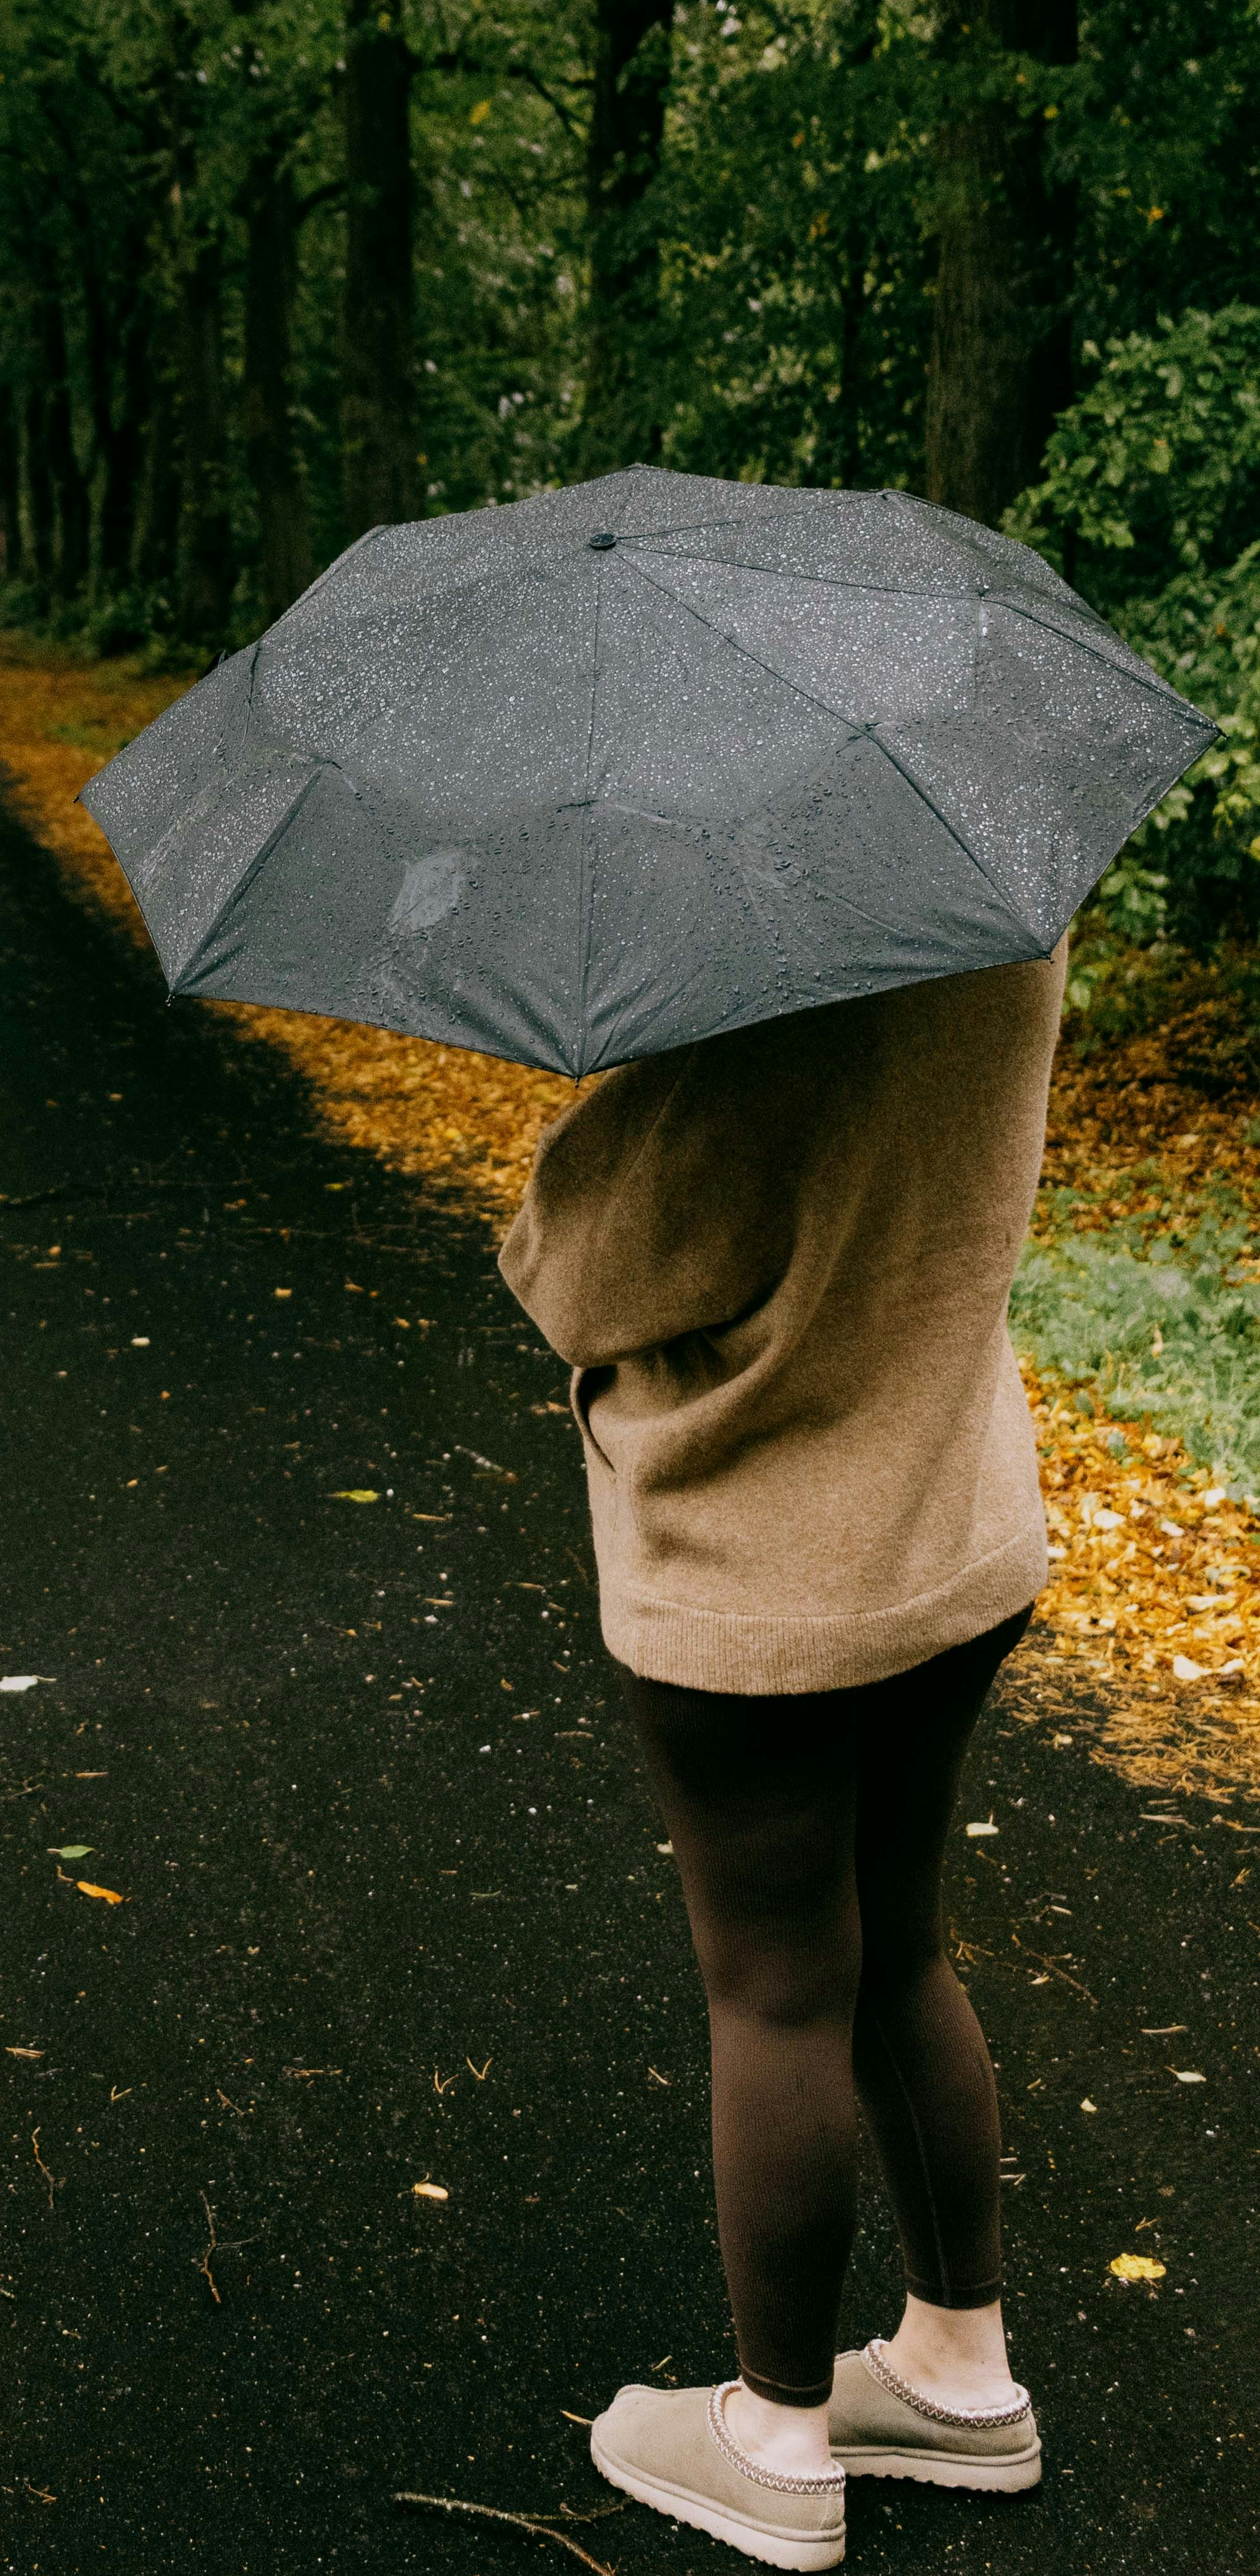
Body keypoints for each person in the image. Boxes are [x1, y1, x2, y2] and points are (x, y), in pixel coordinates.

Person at [498, 949, 1063, 2574]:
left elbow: (592, 1262)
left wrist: (585, 1149)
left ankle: (775, 2434)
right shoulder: (994, 911)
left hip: (765, 1563)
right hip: (953, 1509)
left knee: (778, 1982)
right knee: (901, 1937)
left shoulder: (764, 956)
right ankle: (961, 2374)